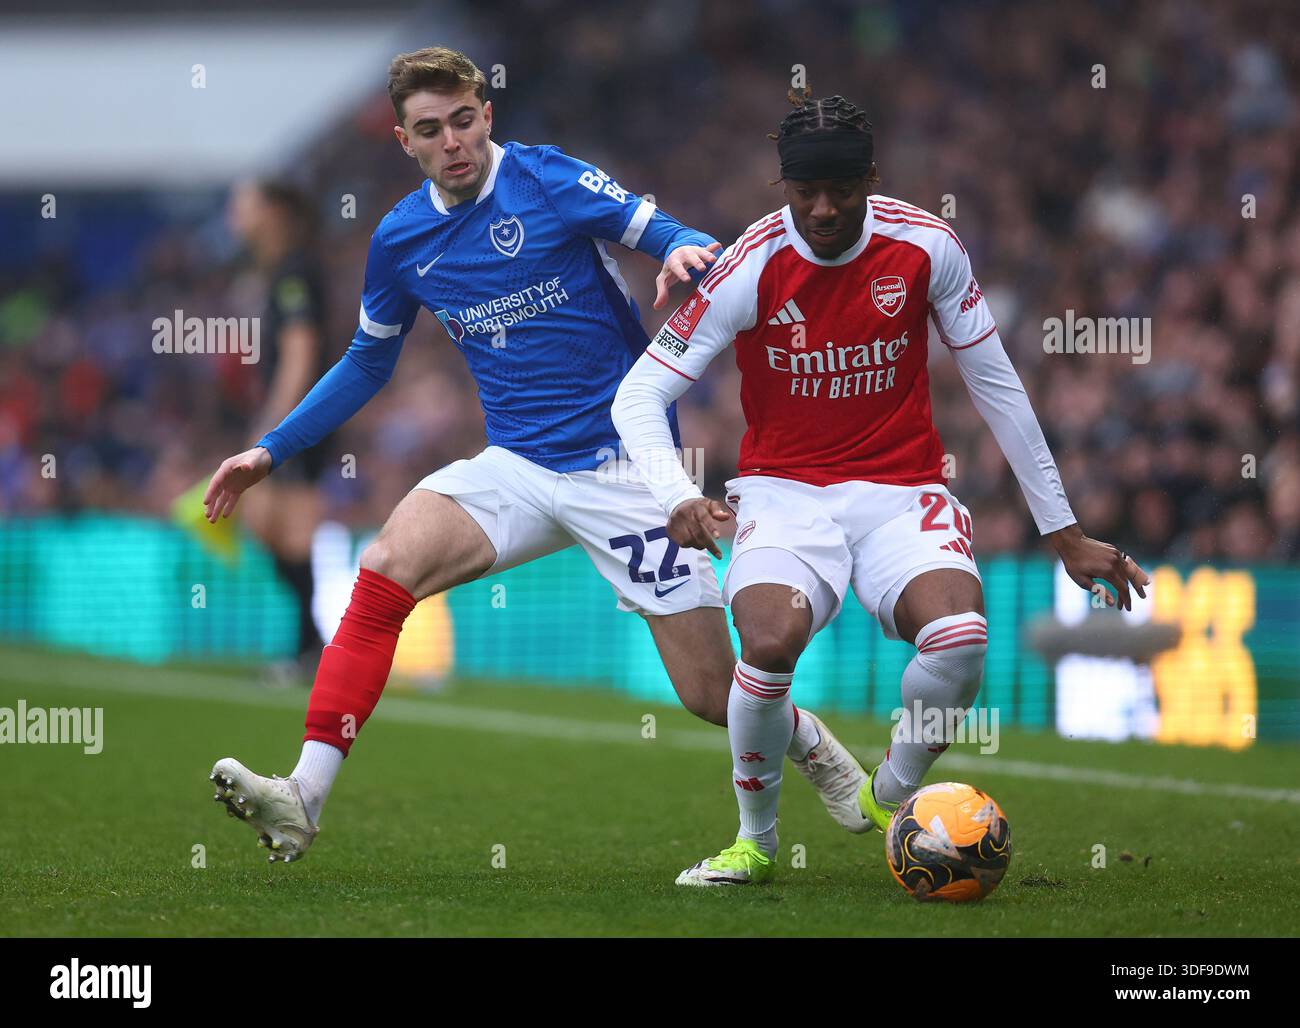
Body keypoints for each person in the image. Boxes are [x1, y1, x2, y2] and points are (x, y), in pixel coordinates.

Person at [202, 51, 865, 862]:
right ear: (405, 142)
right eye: (429, 130)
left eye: (462, 120)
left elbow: (666, 231)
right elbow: (367, 362)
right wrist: (270, 450)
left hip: (626, 470)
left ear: (486, 114)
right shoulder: (402, 239)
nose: (451, 141)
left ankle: (815, 750)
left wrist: (683, 253)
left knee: (709, 695)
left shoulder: (549, 179)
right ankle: (303, 795)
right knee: (385, 567)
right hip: (516, 466)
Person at [611, 91, 1150, 885]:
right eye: (805, 195)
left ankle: (889, 794)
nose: (824, 210)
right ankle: (754, 841)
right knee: (765, 646)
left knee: (961, 638)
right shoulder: (748, 267)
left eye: (842, 192)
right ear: (782, 188)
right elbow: (637, 396)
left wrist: (1062, 530)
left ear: (871, 177)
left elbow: (996, 384)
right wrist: (676, 496)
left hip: (903, 489)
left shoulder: (928, 248)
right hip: (785, 494)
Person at [226, 180, 331, 682]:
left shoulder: (293, 271)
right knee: (268, 526)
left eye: (241, 203)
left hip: (300, 421)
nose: (233, 214)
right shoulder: (277, 271)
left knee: (288, 527)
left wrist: (274, 426)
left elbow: (300, 350)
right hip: (296, 418)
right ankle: (310, 643)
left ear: (270, 211)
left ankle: (309, 646)